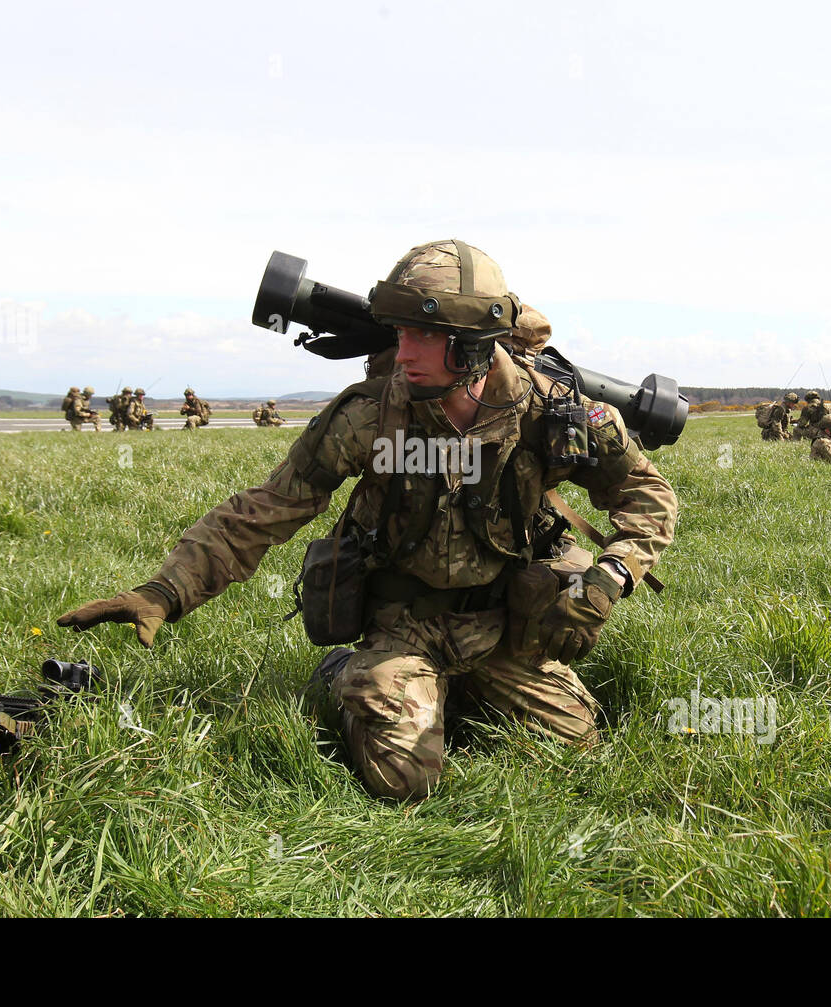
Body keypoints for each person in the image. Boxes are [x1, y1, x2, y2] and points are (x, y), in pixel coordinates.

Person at [58, 239, 677, 800]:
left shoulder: (555, 414)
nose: (400, 351)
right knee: (403, 782)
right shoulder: (370, 415)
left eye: (420, 337)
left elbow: (648, 495)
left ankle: (444, 690)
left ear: (471, 345)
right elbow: (269, 507)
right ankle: (350, 674)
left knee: (575, 748)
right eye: (397, 332)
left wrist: (612, 575)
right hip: (402, 624)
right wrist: (167, 590)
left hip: (500, 627)